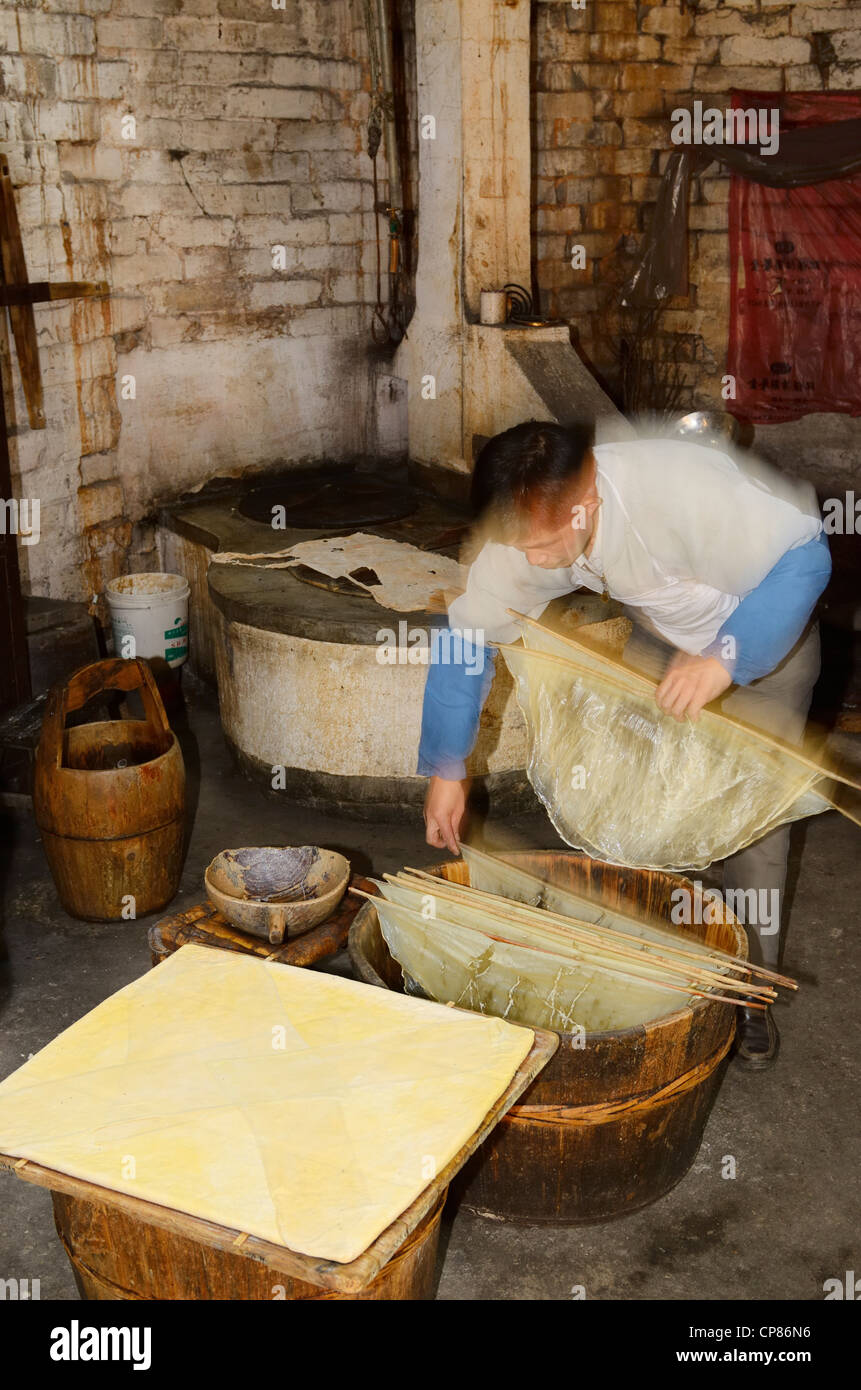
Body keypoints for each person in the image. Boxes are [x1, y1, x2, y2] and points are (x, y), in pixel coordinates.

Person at [417, 420, 831, 1068]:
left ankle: (747, 993)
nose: (532, 560)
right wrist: (448, 766)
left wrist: (724, 658)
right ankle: (663, 976)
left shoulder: (678, 489)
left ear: (588, 502)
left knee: (748, 827)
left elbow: (805, 556)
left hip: (762, 651)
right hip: (662, 644)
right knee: (637, 801)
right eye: (517, 544)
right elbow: (467, 634)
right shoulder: (531, 526)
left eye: (546, 544)